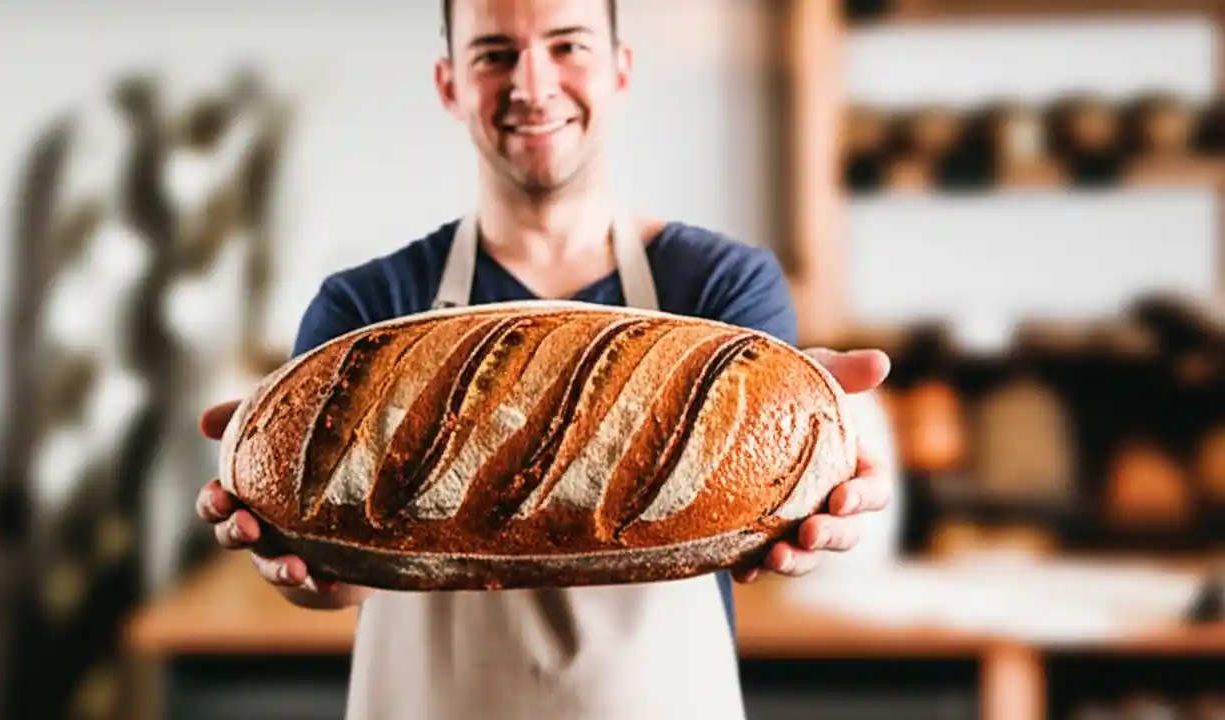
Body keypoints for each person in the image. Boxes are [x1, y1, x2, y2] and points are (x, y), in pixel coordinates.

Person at [194, 0, 895, 717]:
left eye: (568, 46)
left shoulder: (719, 287)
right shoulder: (364, 308)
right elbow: (335, 567)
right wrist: (299, 567)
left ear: (620, 71)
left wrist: (822, 458)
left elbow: (768, 518)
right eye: (495, 54)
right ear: (450, 85)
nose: (532, 83)